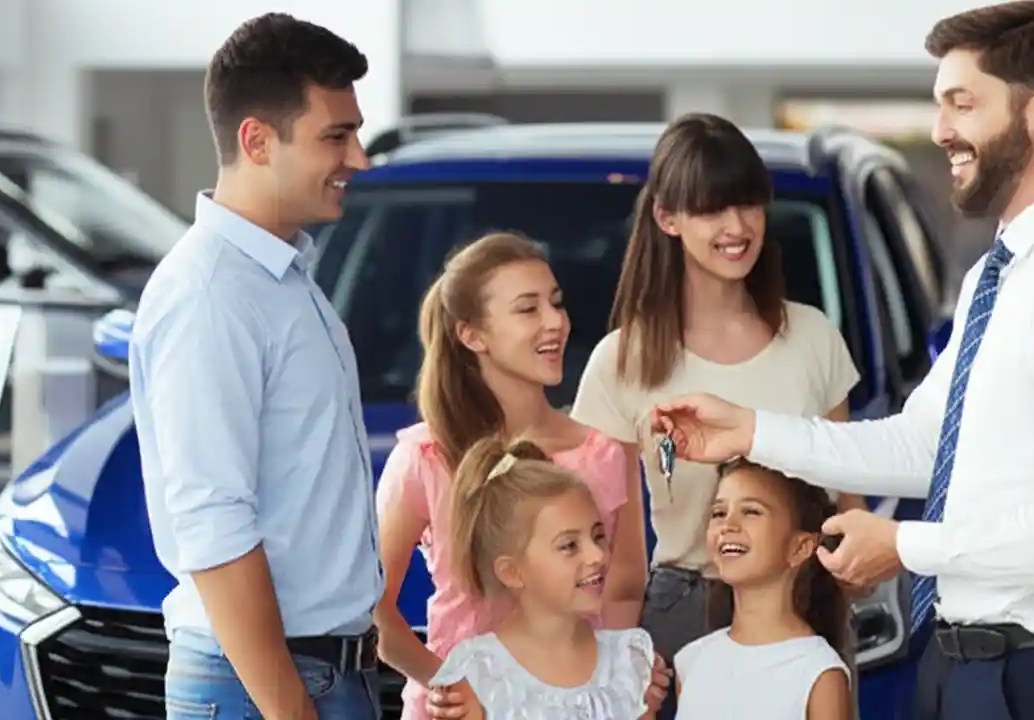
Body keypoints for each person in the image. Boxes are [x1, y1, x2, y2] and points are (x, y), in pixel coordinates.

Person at [651, 3, 1034, 719]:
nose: (940, 131)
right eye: (939, 105)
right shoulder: (1007, 270)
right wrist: (749, 431)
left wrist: (904, 544)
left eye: (963, 104)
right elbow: (926, 445)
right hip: (968, 669)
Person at [129, 13, 383, 719]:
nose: (358, 158)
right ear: (257, 141)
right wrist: (289, 706)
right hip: (267, 688)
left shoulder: (279, 276)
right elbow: (213, 523)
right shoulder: (210, 296)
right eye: (336, 135)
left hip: (316, 673)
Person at [570, 112, 863, 718]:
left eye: (748, 204)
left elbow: (847, 505)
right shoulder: (619, 362)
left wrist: (853, 581)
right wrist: (619, 662)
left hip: (800, 603)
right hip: (681, 611)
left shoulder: (812, 337)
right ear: (667, 219)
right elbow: (614, 549)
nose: (736, 228)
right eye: (712, 209)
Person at [373, 232, 652, 718]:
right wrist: (448, 685)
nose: (556, 322)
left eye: (557, 303)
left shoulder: (602, 451)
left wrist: (620, 686)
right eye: (528, 309)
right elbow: (373, 610)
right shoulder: (426, 457)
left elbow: (624, 586)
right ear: (472, 335)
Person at [426, 436, 657, 719]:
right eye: (569, 546)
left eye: (598, 536)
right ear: (512, 572)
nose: (597, 555)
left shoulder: (628, 660)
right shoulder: (477, 674)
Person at [675, 459, 852, 719]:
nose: (728, 525)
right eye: (719, 513)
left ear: (800, 547)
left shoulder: (819, 672)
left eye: (751, 512)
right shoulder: (691, 661)